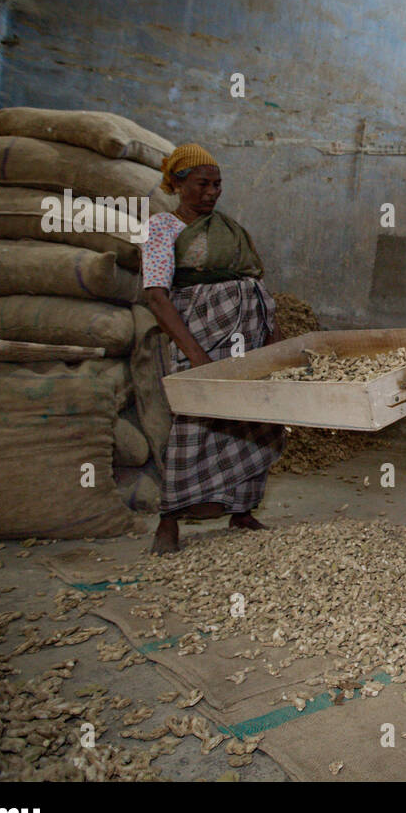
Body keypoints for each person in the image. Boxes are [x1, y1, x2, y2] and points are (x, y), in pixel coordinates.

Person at [141, 143, 285, 554]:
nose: (212, 192)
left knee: (253, 419)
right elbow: (156, 295)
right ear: (178, 184)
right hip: (202, 336)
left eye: (217, 184)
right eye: (202, 184)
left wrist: (273, 341)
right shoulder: (162, 229)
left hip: (250, 338)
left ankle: (242, 509)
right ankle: (169, 520)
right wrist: (197, 355)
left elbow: (256, 284)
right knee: (194, 423)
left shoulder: (230, 228)